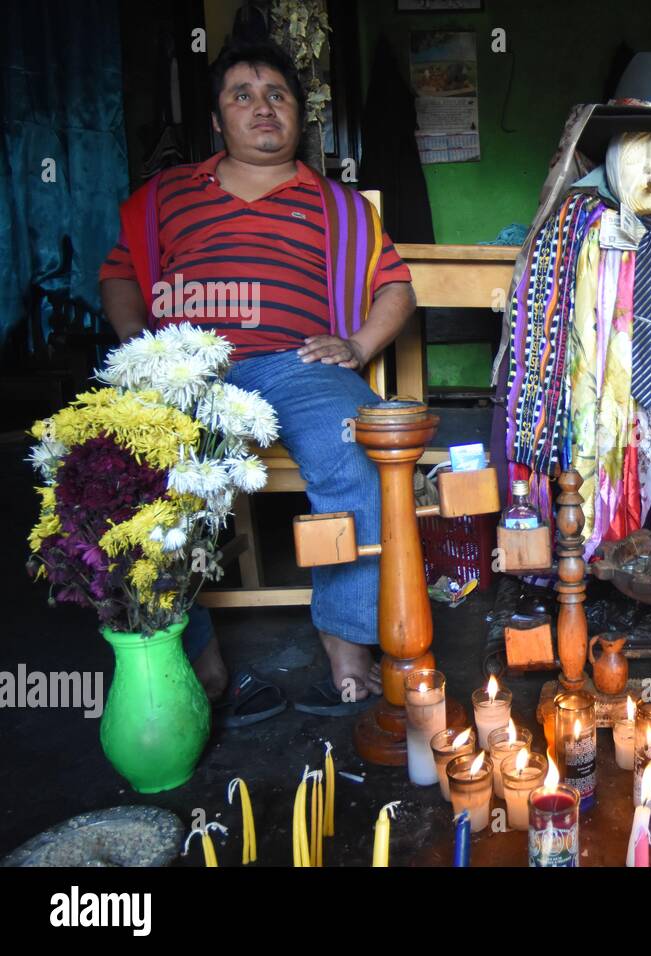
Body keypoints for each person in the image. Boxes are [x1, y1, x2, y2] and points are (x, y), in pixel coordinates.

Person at [98, 41, 417, 722]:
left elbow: (396, 287)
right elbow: (120, 273)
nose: (262, 106)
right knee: (127, 470)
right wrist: (138, 346)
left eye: (277, 94)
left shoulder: (339, 205)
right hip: (185, 365)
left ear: (299, 114)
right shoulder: (166, 197)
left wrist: (357, 345)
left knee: (358, 449)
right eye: (242, 95)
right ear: (218, 120)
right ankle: (199, 662)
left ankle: (348, 643)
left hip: (298, 364)